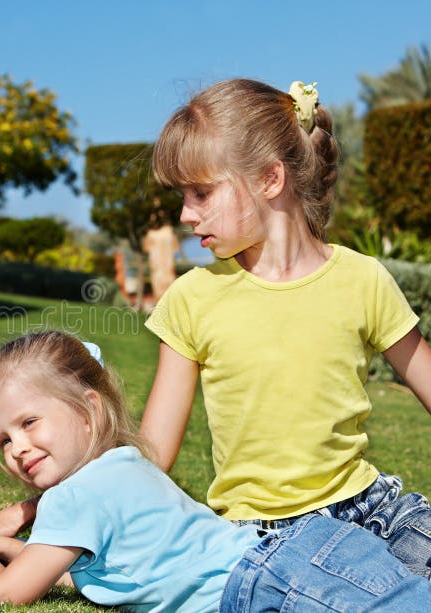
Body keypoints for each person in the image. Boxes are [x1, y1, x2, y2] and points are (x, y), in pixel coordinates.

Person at [0, 331, 431, 610]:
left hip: (270, 584)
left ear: (89, 409)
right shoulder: (125, 464)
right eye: (5, 438)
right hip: (299, 553)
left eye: (30, 422)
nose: (18, 447)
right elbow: (77, 566)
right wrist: (9, 547)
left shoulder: (73, 498)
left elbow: (6, 593)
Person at [140, 78, 431, 578]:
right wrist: (45, 520)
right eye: (184, 196)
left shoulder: (362, 280)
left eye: (202, 193)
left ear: (271, 179)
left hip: (374, 516)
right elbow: (150, 458)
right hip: (262, 538)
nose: (186, 214)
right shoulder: (191, 299)